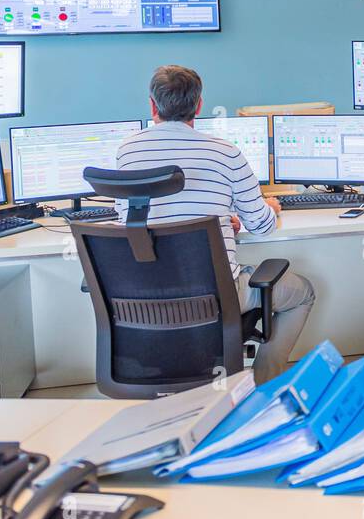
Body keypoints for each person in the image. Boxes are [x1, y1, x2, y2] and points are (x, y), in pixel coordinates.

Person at [114, 65, 314, 383]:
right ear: (199, 105)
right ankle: (264, 386)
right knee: (303, 293)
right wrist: (270, 208)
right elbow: (262, 227)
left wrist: (218, 220)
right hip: (216, 295)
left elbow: (129, 217)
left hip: (146, 296)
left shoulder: (127, 150)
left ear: (152, 106)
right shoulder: (225, 153)